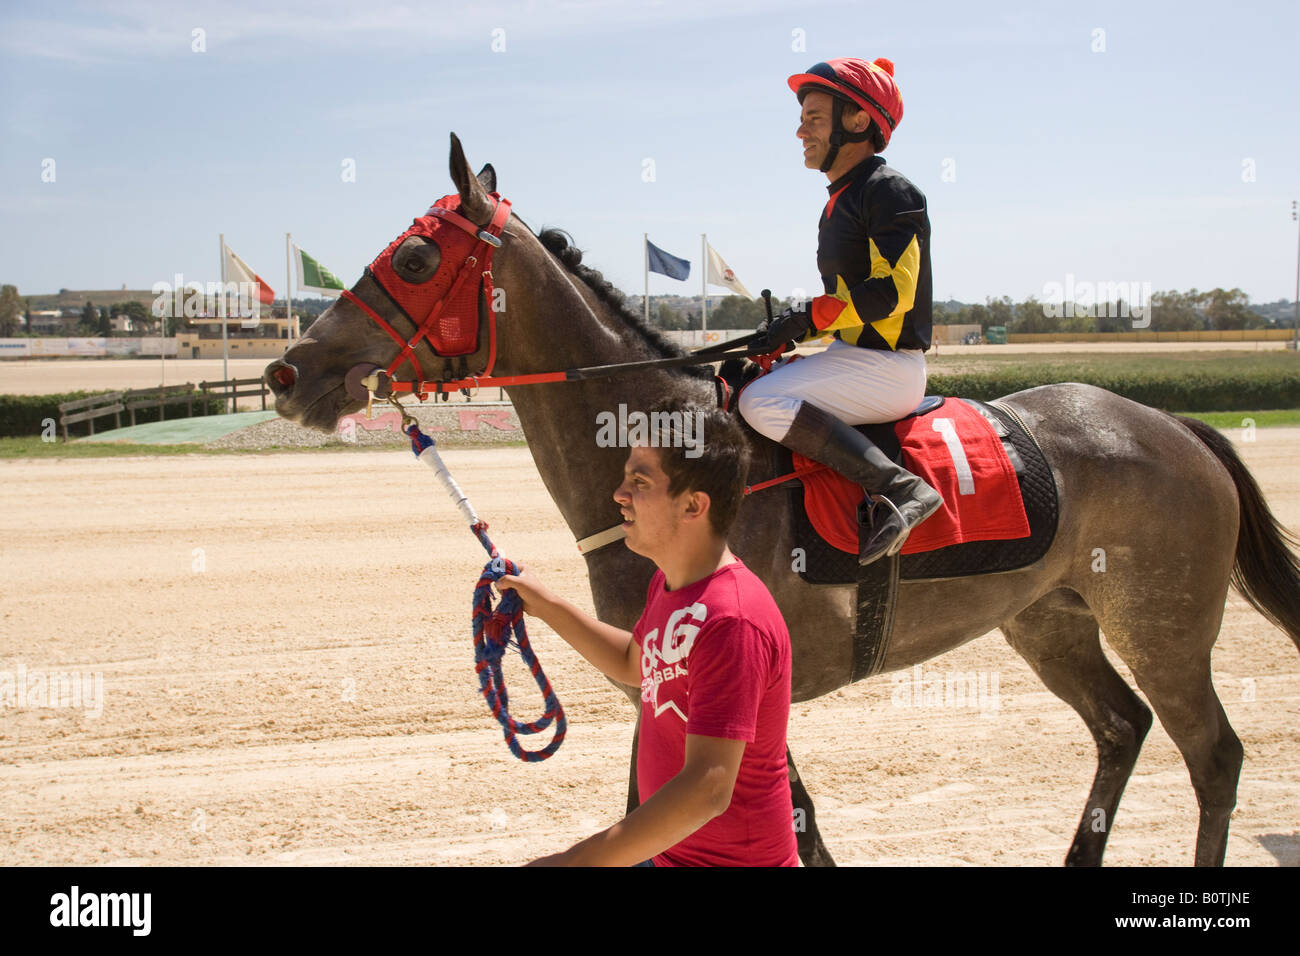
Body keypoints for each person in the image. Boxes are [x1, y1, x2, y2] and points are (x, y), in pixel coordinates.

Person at [499, 404, 798, 866]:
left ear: (694, 505)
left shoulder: (732, 622)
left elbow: (708, 789)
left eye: (640, 482)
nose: (619, 494)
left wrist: (573, 863)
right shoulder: (672, 582)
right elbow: (636, 664)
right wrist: (549, 606)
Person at [738, 57, 942, 565]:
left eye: (814, 117)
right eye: (803, 117)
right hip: (855, 356)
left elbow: (891, 294)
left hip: (888, 369)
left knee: (757, 404)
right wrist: (792, 331)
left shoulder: (889, 190)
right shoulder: (843, 197)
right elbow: (848, 303)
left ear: (857, 121)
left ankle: (900, 487)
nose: (800, 130)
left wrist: (807, 319)